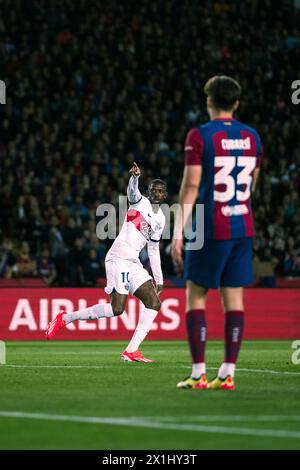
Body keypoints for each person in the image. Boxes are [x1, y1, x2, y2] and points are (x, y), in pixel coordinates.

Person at [171, 76, 263, 390]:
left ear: (208, 101)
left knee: (196, 296)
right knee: (234, 299)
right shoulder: (252, 137)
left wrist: (178, 230)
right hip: (242, 225)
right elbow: (252, 183)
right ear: (236, 103)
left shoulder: (199, 136)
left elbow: (192, 185)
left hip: (211, 226)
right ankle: (227, 372)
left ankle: (198, 373)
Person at [45, 163, 167, 363]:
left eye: (160, 191)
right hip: (118, 257)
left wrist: (159, 279)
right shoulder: (139, 202)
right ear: (149, 191)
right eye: (153, 189)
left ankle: (131, 351)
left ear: (165, 196)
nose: (156, 193)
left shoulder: (160, 219)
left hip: (134, 262)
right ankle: (65, 318)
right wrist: (134, 178)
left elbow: (153, 249)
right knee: (116, 309)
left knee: (154, 302)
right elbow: (132, 192)